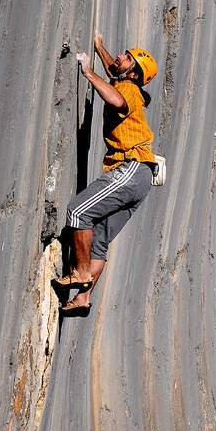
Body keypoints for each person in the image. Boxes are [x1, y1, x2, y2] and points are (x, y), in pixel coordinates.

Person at [53, 30, 158, 316]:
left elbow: (116, 100)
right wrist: (100, 48)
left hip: (130, 168)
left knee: (78, 212)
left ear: (134, 74)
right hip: (141, 178)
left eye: (128, 58)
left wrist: (88, 72)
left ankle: (82, 272)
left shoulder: (128, 91)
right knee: (98, 238)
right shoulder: (127, 81)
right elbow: (115, 69)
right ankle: (82, 298)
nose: (122, 57)